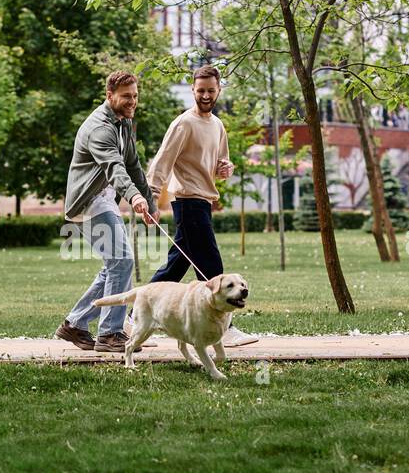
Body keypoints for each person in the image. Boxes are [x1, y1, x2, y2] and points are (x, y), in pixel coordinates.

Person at [136, 64, 259, 346]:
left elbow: (217, 165)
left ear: (219, 91)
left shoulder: (217, 125)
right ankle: (224, 329)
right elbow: (163, 160)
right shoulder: (183, 123)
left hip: (203, 201)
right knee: (211, 264)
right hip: (187, 201)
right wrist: (151, 196)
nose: (205, 95)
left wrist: (224, 169)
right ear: (193, 90)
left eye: (210, 91)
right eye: (200, 90)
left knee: (176, 265)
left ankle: (136, 315)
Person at [55, 71, 159, 352]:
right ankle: (110, 333)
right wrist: (134, 197)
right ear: (109, 95)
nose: (132, 101)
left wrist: (149, 203)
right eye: (126, 96)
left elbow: (134, 166)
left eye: (135, 96)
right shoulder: (100, 128)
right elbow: (115, 168)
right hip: (88, 202)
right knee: (122, 262)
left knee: (114, 266)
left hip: (103, 198)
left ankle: (74, 324)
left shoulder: (123, 123)